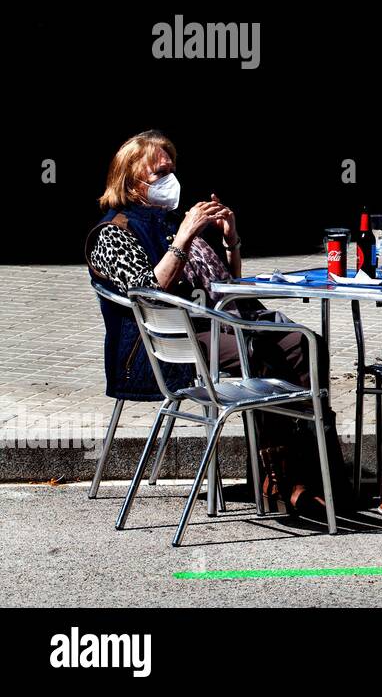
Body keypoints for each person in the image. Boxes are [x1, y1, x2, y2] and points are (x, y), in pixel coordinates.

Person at [86, 130, 347, 516]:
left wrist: (230, 239)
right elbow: (147, 294)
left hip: (213, 325)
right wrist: (187, 235)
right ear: (130, 179)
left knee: (303, 344)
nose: (169, 180)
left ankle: (321, 472)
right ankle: (279, 478)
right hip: (163, 339)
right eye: (159, 173)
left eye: (172, 170)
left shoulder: (168, 222)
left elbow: (226, 287)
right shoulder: (113, 232)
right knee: (257, 352)